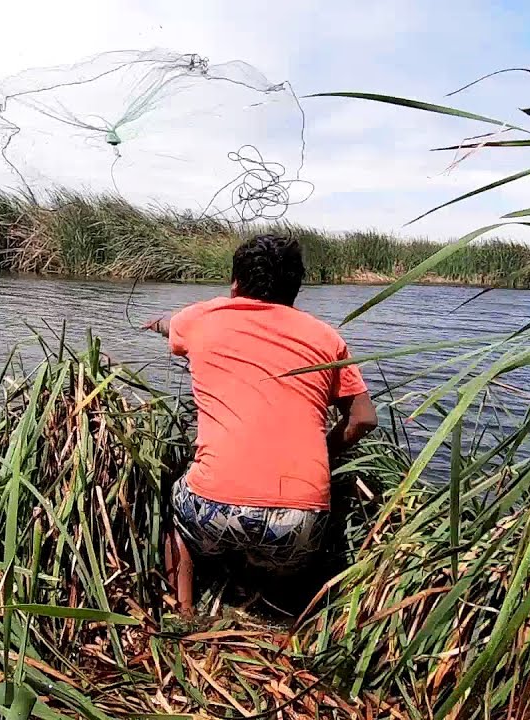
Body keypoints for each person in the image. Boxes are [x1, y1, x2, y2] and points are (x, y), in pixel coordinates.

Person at [143, 234, 378, 616]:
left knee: (177, 510)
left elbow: (170, 325)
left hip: (211, 511)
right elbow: (364, 418)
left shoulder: (202, 317)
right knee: (289, 554)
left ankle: (182, 615)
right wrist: (324, 451)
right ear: (296, 289)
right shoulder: (326, 338)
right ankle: (279, 611)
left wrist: (155, 324)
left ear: (235, 283)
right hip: (297, 523)